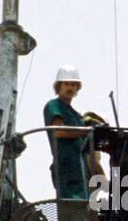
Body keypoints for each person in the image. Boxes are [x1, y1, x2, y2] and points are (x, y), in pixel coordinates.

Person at [43, 65, 102, 200]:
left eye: (74, 85)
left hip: (79, 168)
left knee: (83, 210)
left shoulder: (76, 114)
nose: (70, 88)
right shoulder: (54, 105)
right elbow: (59, 132)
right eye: (66, 84)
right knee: (72, 210)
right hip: (66, 167)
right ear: (59, 86)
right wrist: (86, 132)